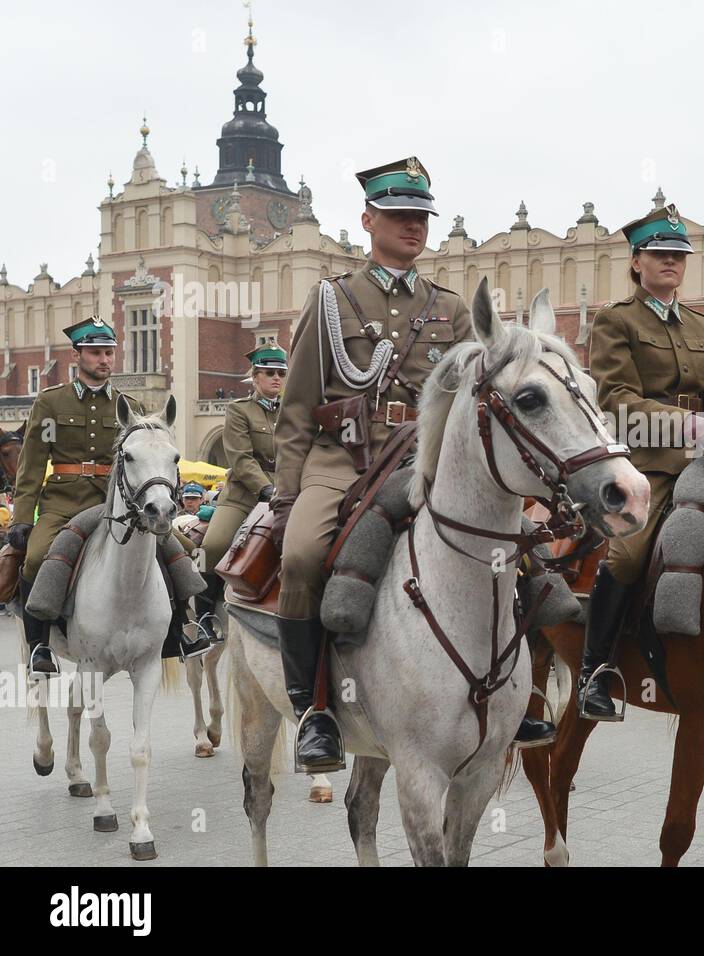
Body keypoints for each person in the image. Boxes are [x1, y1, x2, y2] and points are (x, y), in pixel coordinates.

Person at [273, 156, 551, 771]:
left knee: (517, 546)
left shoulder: (450, 308)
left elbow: (475, 398)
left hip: (419, 458)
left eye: (421, 215)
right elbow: (296, 409)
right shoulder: (332, 301)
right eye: (400, 215)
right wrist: (288, 493)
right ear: (368, 219)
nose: (413, 226)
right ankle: (313, 708)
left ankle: (517, 693)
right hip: (342, 458)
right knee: (299, 553)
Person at [581, 202, 704, 720]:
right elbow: (615, 396)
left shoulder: (702, 327)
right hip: (647, 463)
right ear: (637, 261)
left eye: (678, 255)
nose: (671, 262)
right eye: (660, 253)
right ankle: (594, 671)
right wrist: (679, 422)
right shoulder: (616, 320)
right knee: (628, 555)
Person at [6, 316, 210, 674]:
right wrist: (23, 517)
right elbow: (31, 467)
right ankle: (39, 645)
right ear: (78, 356)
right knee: (36, 557)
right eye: (96, 352)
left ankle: (181, 629)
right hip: (64, 503)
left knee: (177, 550)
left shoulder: (127, 404)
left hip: (117, 501)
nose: (104, 359)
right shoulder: (51, 403)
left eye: (108, 353)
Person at [195, 344, 285, 638]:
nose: (276, 378)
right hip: (244, 494)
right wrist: (266, 488)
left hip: (286, 491)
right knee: (213, 546)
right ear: (255, 377)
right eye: (269, 373)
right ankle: (205, 617)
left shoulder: (294, 412)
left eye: (281, 373)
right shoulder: (239, 409)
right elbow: (241, 457)